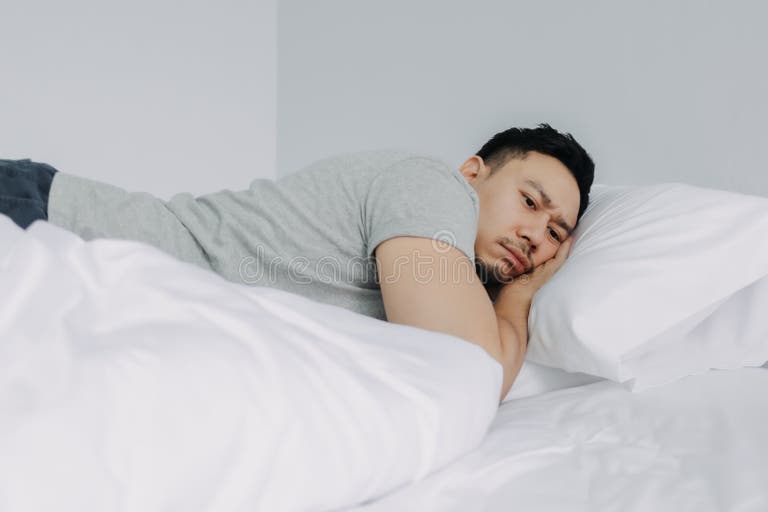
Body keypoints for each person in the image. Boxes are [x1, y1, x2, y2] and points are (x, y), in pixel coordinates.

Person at [0, 123, 595, 402]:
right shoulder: (435, 187)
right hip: (46, 224)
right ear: (473, 172)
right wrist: (520, 299)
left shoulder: (452, 277)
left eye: (554, 233)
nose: (533, 238)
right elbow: (465, 367)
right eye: (528, 201)